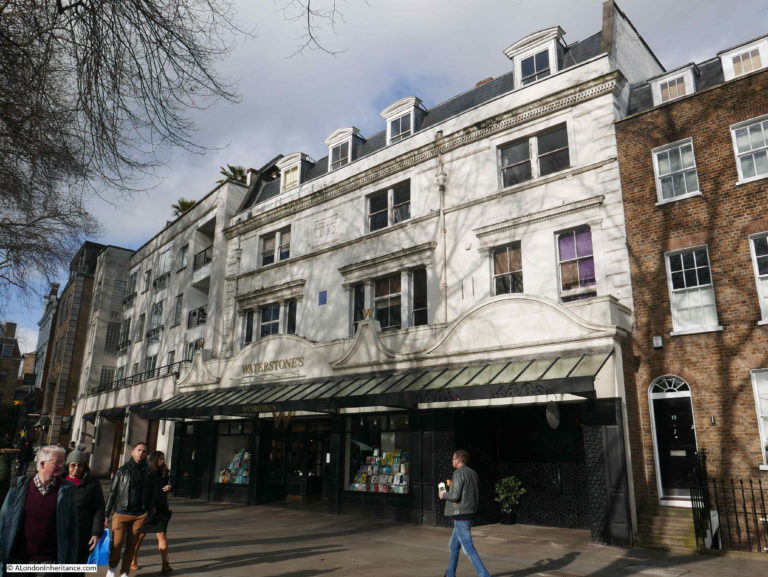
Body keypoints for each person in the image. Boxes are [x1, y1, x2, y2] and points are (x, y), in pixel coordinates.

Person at [0, 445, 78, 576]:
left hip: (49, 562)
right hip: (19, 559)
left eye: (62, 462)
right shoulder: (19, 487)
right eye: (57, 462)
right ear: (42, 464)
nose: (62, 466)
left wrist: (70, 563)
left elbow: (72, 529)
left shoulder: (66, 491)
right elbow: (3, 521)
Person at [438, 450, 492, 577]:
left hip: (461, 515)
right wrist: (452, 486)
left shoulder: (458, 473)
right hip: (469, 512)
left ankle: (485, 575)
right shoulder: (473, 473)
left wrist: (444, 494)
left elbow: (455, 496)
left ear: (458, 460)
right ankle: (450, 573)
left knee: (468, 548)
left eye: (453, 459)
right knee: (453, 546)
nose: (452, 461)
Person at [104, 442, 153, 577]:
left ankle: (125, 572)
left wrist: (148, 512)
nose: (141, 453)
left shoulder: (149, 472)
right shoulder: (122, 470)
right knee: (117, 544)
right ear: (132, 452)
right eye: (139, 450)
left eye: (144, 451)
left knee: (131, 546)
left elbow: (151, 493)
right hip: (121, 513)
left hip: (139, 515)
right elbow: (113, 492)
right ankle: (112, 568)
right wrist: (106, 514)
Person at [131, 451, 173, 575]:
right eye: (160, 459)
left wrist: (169, 487)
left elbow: (168, 484)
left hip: (162, 508)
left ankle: (165, 564)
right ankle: (133, 558)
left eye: (163, 459)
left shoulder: (165, 472)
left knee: (162, 535)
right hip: (148, 509)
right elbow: (142, 491)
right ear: (154, 460)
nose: (162, 461)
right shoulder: (147, 473)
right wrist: (149, 506)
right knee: (141, 535)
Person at [63, 450, 105, 566]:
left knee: (78, 565)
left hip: (82, 532)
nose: (77, 468)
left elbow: (99, 508)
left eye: (80, 465)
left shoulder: (92, 483)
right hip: (61, 531)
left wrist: (96, 533)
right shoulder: (59, 481)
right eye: (73, 465)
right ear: (68, 465)